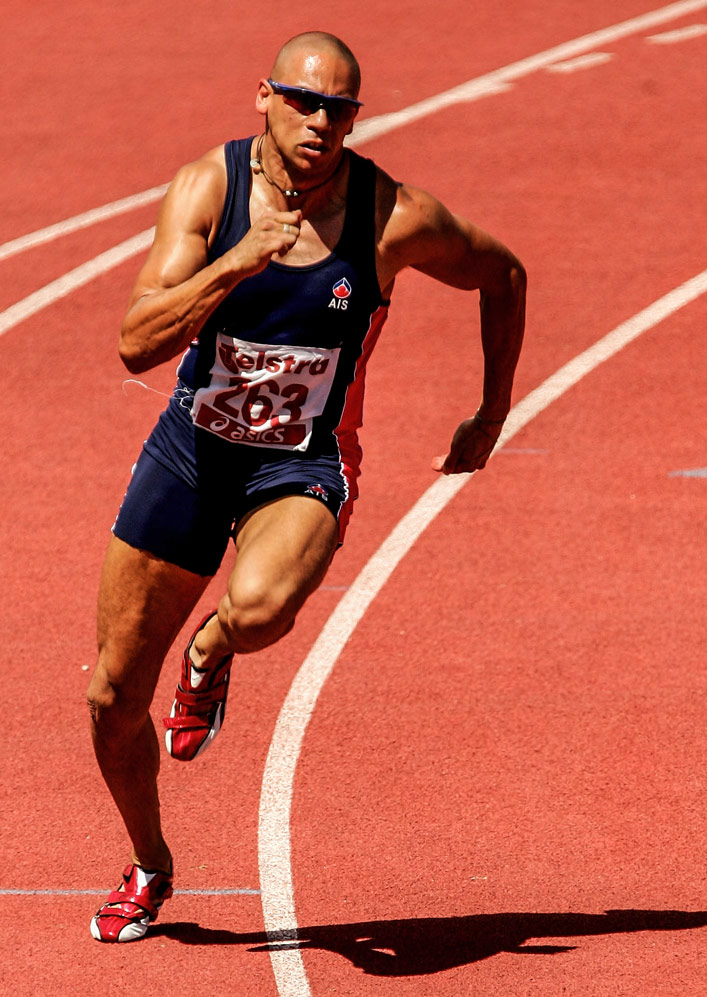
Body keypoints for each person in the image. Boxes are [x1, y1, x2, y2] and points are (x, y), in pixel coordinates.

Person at [86, 30, 526, 943]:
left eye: (340, 109)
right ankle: (150, 861)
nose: (321, 122)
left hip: (301, 461)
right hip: (192, 452)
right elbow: (135, 341)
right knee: (110, 699)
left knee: (263, 606)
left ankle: (210, 649)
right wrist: (237, 263)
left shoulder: (389, 215)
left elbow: (505, 273)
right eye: (303, 101)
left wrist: (491, 412)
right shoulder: (209, 188)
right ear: (265, 98)